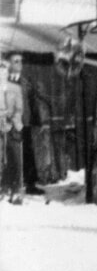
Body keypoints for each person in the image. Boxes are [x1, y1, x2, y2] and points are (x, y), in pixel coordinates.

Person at [6, 52, 42, 193]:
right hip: (8, 124)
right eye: (15, 61)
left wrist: (36, 120)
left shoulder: (25, 82)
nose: (19, 64)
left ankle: (31, 184)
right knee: (10, 154)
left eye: (20, 61)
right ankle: (9, 185)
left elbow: (33, 101)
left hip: (24, 122)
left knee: (28, 152)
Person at [0, 61, 25, 204]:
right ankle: (3, 187)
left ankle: (16, 190)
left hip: (13, 128)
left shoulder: (15, 88)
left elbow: (19, 108)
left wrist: (12, 119)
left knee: (15, 159)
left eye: (4, 71)